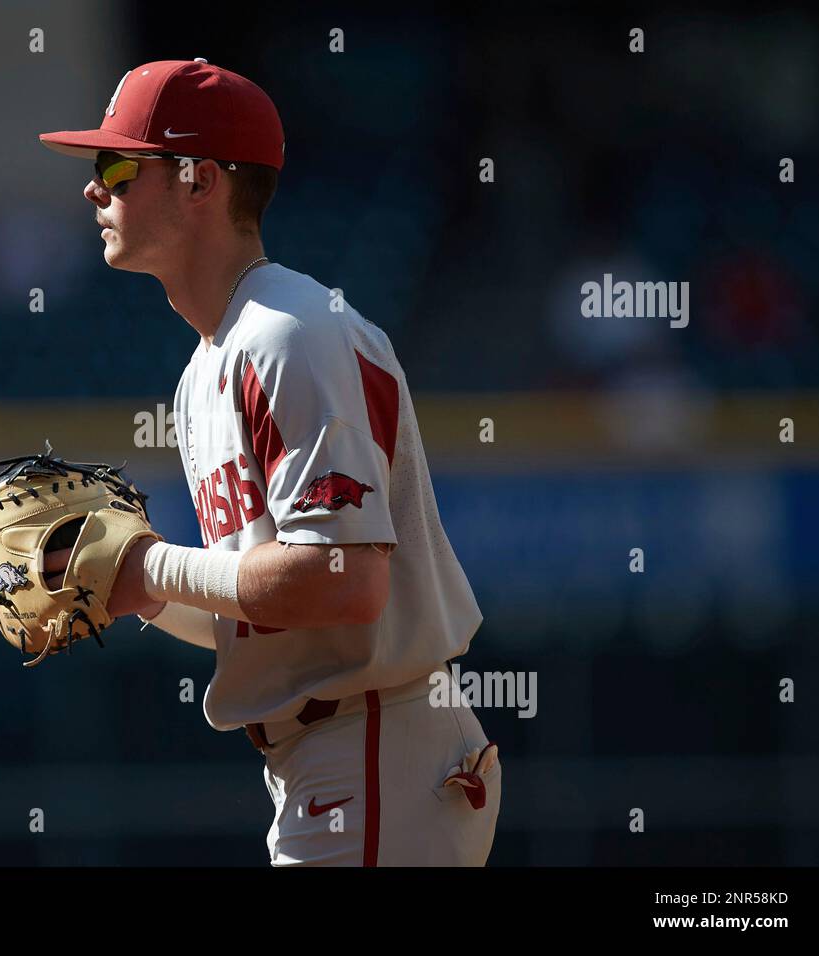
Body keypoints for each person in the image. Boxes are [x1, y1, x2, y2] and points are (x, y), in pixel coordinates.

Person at [38, 58, 500, 866]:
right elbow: (259, 611)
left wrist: (154, 565)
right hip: (329, 762)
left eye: (116, 164)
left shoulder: (292, 333)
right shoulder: (203, 370)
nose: (92, 187)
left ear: (199, 182)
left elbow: (344, 581)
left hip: (377, 744)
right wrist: (130, 590)